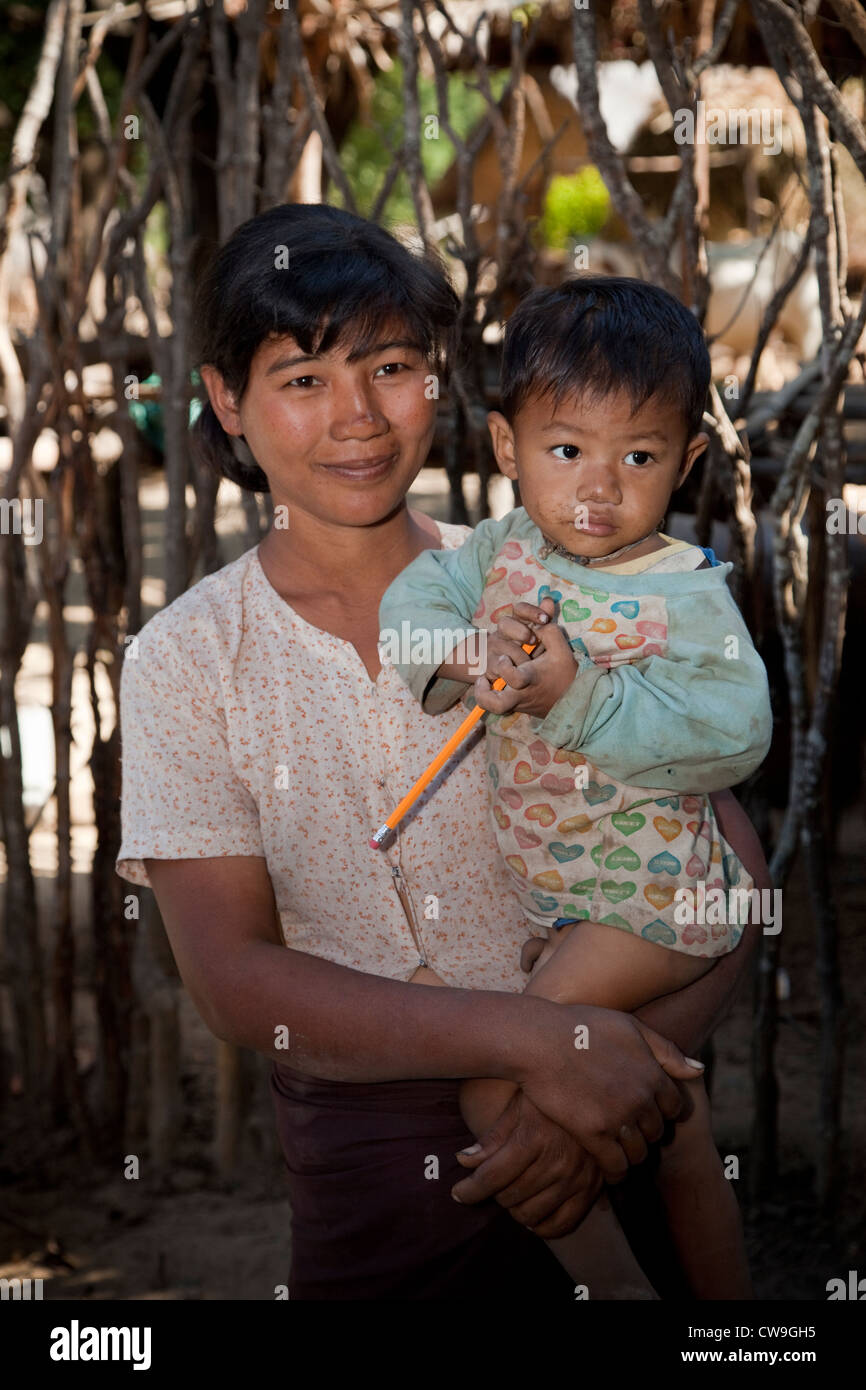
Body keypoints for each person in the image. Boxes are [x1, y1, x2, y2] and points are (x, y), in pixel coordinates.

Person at [115, 204, 771, 1300]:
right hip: (371, 1161)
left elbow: (722, 856)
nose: (358, 418)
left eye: (391, 367)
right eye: (302, 378)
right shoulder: (185, 658)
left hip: (618, 1093)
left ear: (442, 383)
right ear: (227, 399)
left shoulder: (561, 580)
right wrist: (536, 1047)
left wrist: (616, 1066)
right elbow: (233, 980)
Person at [379, 276, 772, 1298]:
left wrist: (579, 694)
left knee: (490, 1085)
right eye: (565, 452)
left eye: (636, 456)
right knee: (669, 1117)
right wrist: (463, 651)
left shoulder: (682, 593)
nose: (597, 486)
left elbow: (736, 733)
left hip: (650, 899)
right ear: (506, 449)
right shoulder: (496, 553)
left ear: (685, 459)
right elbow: (410, 604)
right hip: (569, 904)